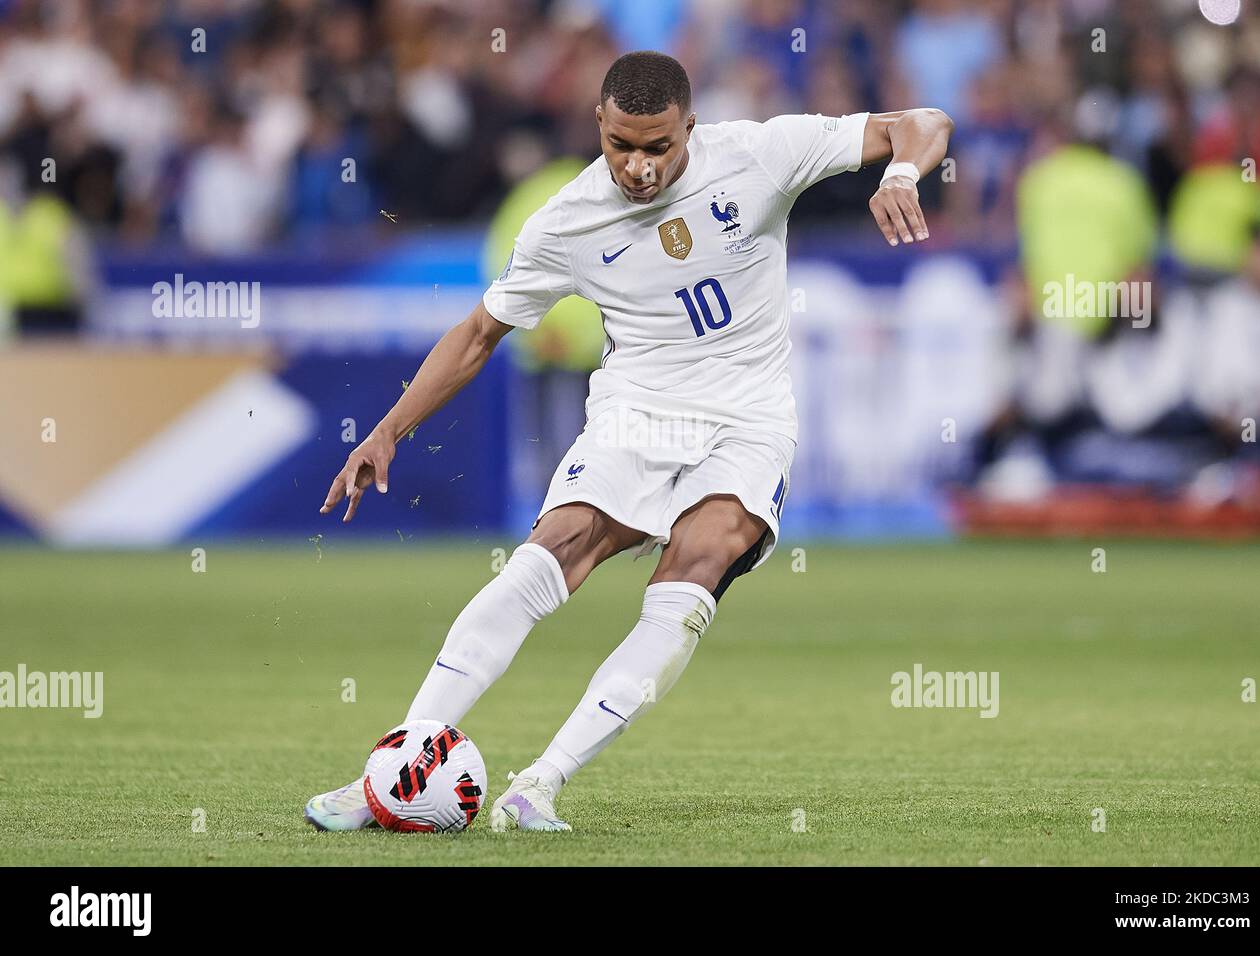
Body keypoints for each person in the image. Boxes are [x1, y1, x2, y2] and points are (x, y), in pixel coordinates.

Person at [307, 50, 952, 832]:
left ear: (691, 128)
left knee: (697, 569)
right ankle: (391, 773)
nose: (639, 167)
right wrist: (386, 430)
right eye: (622, 146)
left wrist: (901, 175)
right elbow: (479, 333)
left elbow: (924, 124)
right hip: (637, 412)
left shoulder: (761, 154)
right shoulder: (566, 221)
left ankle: (540, 783)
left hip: (749, 420)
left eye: (659, 147)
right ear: (599, 127)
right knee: (552, 553)